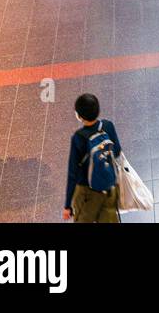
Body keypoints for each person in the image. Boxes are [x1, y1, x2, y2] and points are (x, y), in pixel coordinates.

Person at [63, 93, 121, 223]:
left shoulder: (78, 138)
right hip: (108, 185)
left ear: (80, 116)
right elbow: (116, 152)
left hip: (86, 192)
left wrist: (67, 206)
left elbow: (72, 174)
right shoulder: (108, 126)